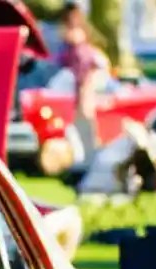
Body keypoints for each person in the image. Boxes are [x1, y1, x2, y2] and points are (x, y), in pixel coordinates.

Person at [56, 2, 111, 172]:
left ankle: (89, 158)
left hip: (85, 82)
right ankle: (86, 158)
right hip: (78, 84)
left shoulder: (77, 37)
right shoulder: (71, 37)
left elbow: (90, 65)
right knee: (81, 122)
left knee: (85, 119)